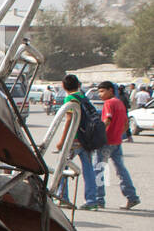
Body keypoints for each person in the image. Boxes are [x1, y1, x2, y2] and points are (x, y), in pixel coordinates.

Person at [92, 80, 140, 210]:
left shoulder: (109, 103)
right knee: (121, 170)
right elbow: (125, 124)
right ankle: (132, 197)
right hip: (117, 142)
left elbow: (107, 120)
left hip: (106, 142)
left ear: (110, 90)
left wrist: (99, 135)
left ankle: (98, 199)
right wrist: (118, 134)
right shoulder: (120, 103)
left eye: (102, 91)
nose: (100, 94)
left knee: (98, 170)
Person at [55, 74, 99, 208]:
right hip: (86, 139)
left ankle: (63, 197)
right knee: (88, 169)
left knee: (62, 167)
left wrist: (61, 141)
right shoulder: (83, 97)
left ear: (64, 86)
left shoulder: (70, 98)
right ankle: (91, 200)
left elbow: (69, 119)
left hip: (73, 139)